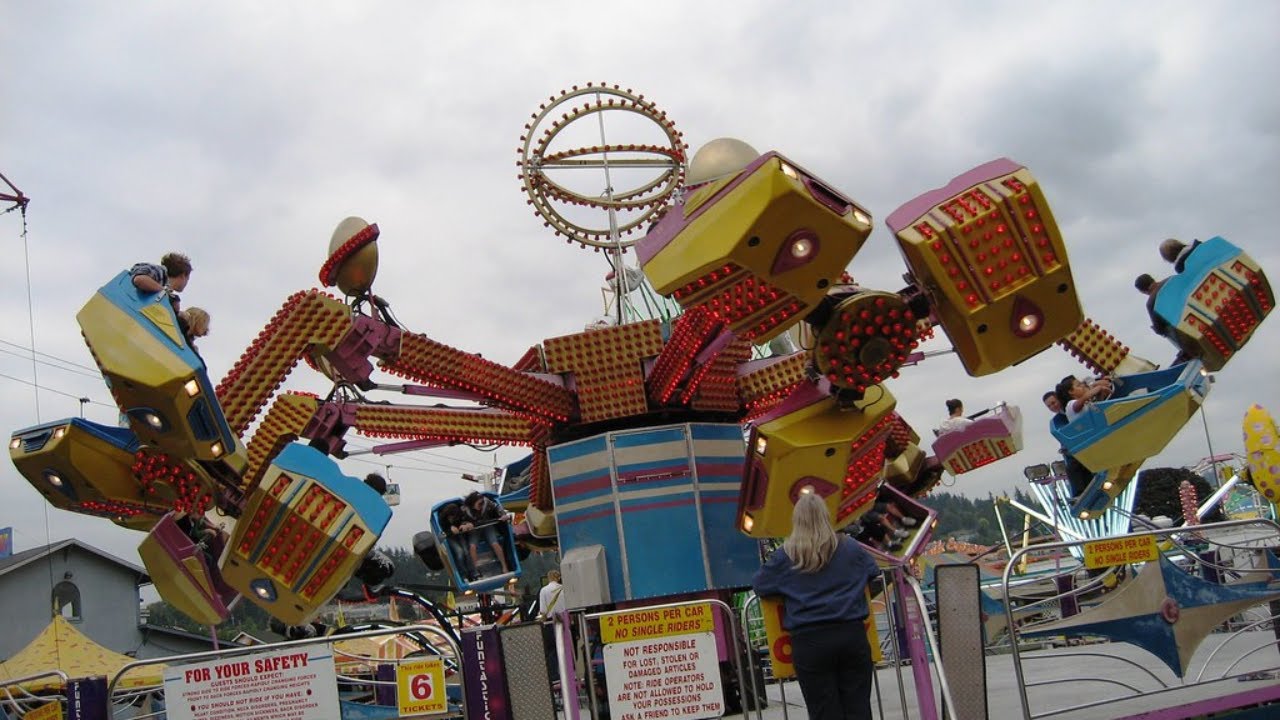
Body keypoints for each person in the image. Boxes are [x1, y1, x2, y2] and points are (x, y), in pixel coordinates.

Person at [752, 492, 879, 720]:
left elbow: (761, 585)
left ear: (796, 521)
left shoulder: (786, 556)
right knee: (859, 707)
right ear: (825, 516)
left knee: (822, 710)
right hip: (851, 634)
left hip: (809, 641)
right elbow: (873, 572)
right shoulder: (850, 548)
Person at [1043, 391, 1093, 500]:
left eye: (1053, 402)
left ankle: (1081, 492)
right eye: (1049, 406)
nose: (1053, 406)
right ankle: (1080, 493)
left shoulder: (1071, 408)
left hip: (1089, 442)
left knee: (1074, 466)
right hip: (1077, 450)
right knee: (1073, 466)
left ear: (1059, 399)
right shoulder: (1057, 420)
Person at [464, 491, 513, 574]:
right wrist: (466, 524)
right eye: (479, 504)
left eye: (482, 503)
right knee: (472, 546)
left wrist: (502, 515)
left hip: (487, 524)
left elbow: (497, 507)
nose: (482, 505)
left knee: (495, 543)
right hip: (475, 528)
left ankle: (504, 566)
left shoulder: (486, 502)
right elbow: (461, 520)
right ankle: (476, 570)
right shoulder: (466, 509)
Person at [437, 500, 478, 580]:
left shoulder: (460, 515)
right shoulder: (442, 519)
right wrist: (450, 530)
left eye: (453, 517)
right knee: (460, 552)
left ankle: (472, 572)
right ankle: (463, 574)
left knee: (466, 551)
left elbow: (471, 521)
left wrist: (465, 525)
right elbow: (441, 535)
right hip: (450, 537)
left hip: (460, 534)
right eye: (450, 517)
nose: (451, 519)